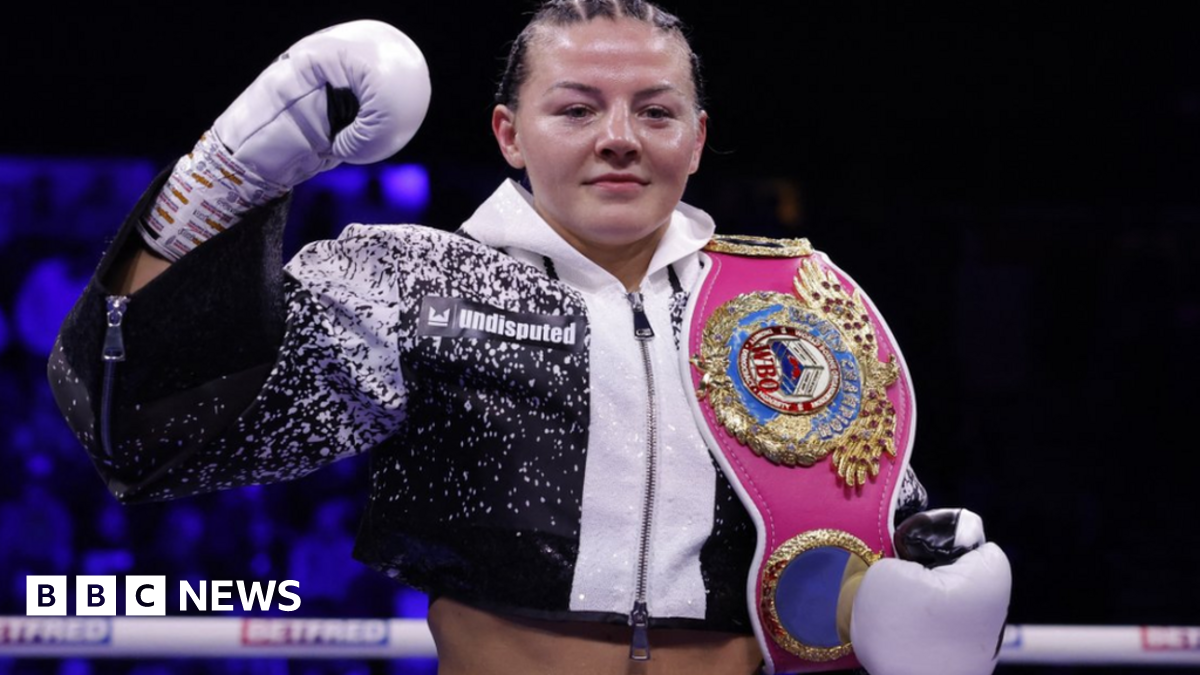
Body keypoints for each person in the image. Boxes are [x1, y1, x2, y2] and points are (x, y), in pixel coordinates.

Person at [48, 2, 1011, 673]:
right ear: (510, 133)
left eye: (656, 110)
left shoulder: (794, 304)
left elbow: (845, 547)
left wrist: (914, 582)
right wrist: (223, 183)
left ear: (700, 137)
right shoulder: (412, 282)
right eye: (578, 108)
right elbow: (154, 431)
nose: (621, 137)